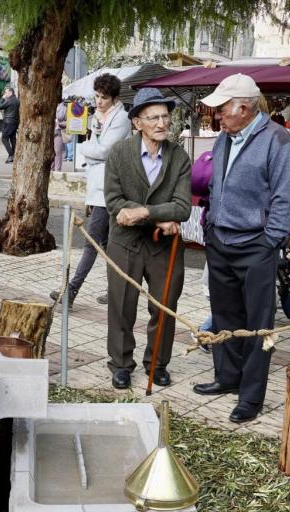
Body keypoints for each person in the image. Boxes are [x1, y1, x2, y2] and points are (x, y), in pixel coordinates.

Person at [192, 73, 290, 423]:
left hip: (256, 245)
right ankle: (227, 377)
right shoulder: (224, 138)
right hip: (220, 241)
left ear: (244, 107)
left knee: (257, 326)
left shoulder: (278, 140)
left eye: (222, 109)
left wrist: (270, 240)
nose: (218, 116)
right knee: (224, 317)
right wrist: (211, 227)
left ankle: (250, 397)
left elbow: (285, 196)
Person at [102, 88, 192, 390]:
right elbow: (114, 202)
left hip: (164, 246)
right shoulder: (118, 153)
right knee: (121, 305)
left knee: (165, 306)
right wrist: (157, 216)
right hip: (124, 242)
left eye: (165, 116)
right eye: (153, 117)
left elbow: (183, 208)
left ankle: (158, 363)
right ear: (137, 122)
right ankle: (121, 364)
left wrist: (142, 212)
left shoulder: (179, 156)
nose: (161, 123)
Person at [50, 74, 131, 304]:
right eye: (96, 96)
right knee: (105, 244)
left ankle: (71, 291)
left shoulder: (122, 118)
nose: (98, 101)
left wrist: (85, 149)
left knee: (93, 242)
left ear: (114, 98)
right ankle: (118, 289)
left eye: (103, 98)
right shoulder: (97, 116)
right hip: (96, 188)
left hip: (111, 189)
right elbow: (96, 154)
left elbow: (105, 151)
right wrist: (92, 152)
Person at [0, 87, 20, 163]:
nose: (5, 94)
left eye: (6, 92)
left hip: (9, 122)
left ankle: (11, 155)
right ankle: (13, 156)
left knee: (4, 138)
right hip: (15, 122)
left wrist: (2, 98)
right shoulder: (17, 100)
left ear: (11, 92)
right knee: (12, 138)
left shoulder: (9, 100)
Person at [53, 100, 68, 171]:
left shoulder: (64, 108)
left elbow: (69, 121)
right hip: (47, 134)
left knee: (57, 152)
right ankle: (50, 171)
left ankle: (57, 170)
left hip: (58, 133)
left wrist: (60, 124)